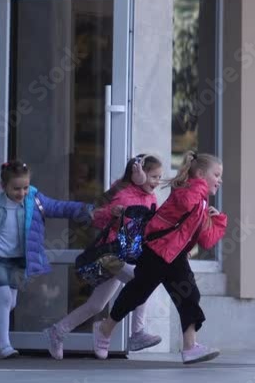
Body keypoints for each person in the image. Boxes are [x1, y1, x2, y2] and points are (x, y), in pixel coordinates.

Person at [94, 151, 227, 364]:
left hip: (175, 256)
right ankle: (105, 327)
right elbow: (184, 203)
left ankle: (190, 347)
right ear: (201, 174)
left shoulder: (202, 201)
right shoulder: (186, 190)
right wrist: (199, 186)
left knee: (189, 295)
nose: (220, 180)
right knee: (137, 292)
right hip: (156, 250)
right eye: (217, 174)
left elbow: (206, 241)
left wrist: (217, 220)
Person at [0, 160, 93, 358]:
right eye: (16, 188)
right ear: (3, 186)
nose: (21, 193)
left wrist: (83, 209)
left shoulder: (34, 201)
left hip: (17, 259)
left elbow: (59, 207)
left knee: (11, 303)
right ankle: (5, 346)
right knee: (4, 298)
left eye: (25, 187)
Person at [43, 154, 165, 360]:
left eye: (159, 177)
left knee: (96, 305)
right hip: (111, 253)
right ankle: (135, 332)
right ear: (137, 173)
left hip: (129, 254)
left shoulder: (151, 199)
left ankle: (58, 331)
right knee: (142, 281)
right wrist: (112, 213)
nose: (157, 182)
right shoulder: (123, 194)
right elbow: (97, 216)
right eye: (153, 176)